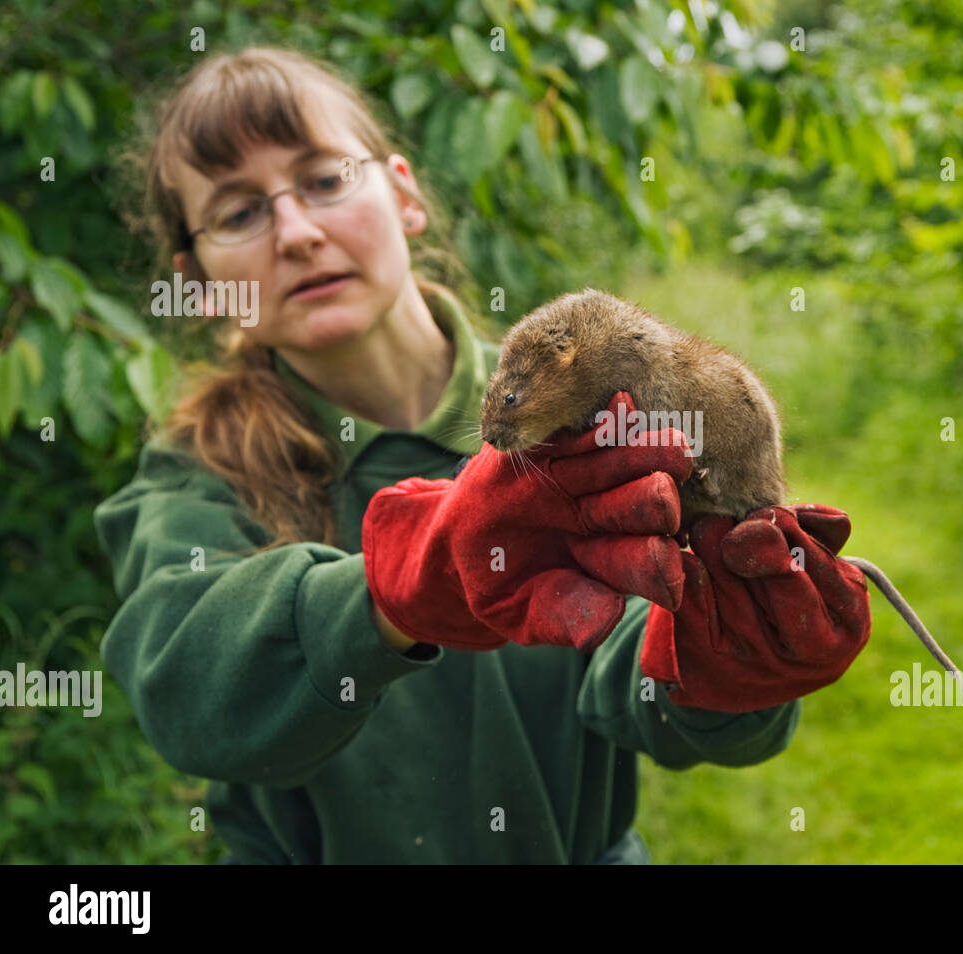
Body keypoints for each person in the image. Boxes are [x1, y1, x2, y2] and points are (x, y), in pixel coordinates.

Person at [94, 45, 872, 864]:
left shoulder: (574, 416)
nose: (297, 232)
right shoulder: (193, 472)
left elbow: (636, 668)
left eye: (324, 179)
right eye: (238, 212)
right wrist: (391, 597)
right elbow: (184, 692)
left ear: (403, 193)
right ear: (199, 279)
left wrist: (729, 667)